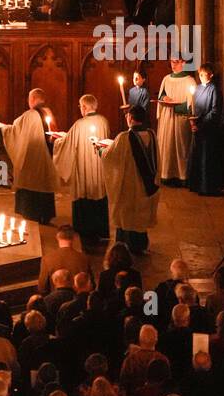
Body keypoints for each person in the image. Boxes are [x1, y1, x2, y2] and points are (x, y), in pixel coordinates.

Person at [100, 105, 160, 255]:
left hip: (131, 184)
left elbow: (110, 157)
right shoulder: (152, 135)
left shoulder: (125, 137)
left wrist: (100, 149)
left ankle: (126, 246)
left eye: (127, 116)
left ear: (131, 118)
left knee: (128, 215)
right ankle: (140, 244)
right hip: (147, 184)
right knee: (140, 216)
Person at [52, 95, 111, 244]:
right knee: (98, 195)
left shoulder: (79, 124)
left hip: (84, 169)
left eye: (80, 106)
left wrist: (58, 139)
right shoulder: (103, 121)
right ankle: (100, 231)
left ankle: (85, 231)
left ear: (84, 107)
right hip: (99, 168)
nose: (80, 109)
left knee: (85, 193)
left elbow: (67, 144)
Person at [0, 89, 57, 224]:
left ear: (33, 99)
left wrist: (1, 127)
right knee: (44, 184)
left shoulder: (29, 115)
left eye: (29, 99)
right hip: (47, 158)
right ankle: (45, 215)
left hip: (32, 160)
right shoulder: (48, 113)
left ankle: (31, 214)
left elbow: (14, 131)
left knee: (31, 183)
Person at [156, 57, 194, 184]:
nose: (173, 64)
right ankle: (166, 174)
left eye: (176, 61)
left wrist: (179, 106)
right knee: (167, 145)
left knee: (181, 146)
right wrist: (165, 97)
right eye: (172, 61)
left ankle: (182, 175)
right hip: (167, 116)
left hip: (180, 117)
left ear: (183, 63)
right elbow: (161, 94)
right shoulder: (167, 79)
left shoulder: (189, 80)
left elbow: (192, 101)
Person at [187, 65, 224, 195]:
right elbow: (193, 106)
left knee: (206, 159)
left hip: (208, 129)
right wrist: (192, 120)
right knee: (196, 156)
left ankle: (206, 187)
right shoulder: (197, 89)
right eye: (200, 75)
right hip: (197, 127)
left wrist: (201, 124)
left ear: (211, 75)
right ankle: (196, 185)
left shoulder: (214, 90)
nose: (201, 77)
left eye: (204, 74)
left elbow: (214, 111)